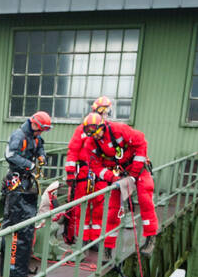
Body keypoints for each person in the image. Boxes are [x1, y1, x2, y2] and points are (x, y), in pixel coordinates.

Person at [79, 114, 158, 255]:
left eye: (97, 133)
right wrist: (113, 178)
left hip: (138, 168)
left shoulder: (119, 130)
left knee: (145, 199)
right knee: (113, 210)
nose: (96, 137)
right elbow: (96, 167)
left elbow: (141, 143)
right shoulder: (90, 144)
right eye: (92, 135)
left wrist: (134, 174)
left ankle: (150, 239)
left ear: (102, 126)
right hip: (118, 174)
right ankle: (108, 248)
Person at [3, 110, 51, 277]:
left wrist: (41, 156)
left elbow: (40, 147)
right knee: (15, 223)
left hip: (27, 184)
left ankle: (21, 266)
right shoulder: (19, 135)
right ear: (34, 124)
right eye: (40, 129)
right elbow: (10, 155)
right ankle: (12, 267)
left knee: (27, 224)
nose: (40, 133)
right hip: (17, 183)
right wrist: (29, 165)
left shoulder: (35, 138)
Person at [62, 97, 113, 245]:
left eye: (107, 110)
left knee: (99, 207)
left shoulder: (108, 129)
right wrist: (71, 173)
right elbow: (73, 151)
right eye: (102, 110)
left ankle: (95, 239)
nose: (105, 113)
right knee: (81, 207)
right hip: (85, 173)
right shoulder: (83, 129)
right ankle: (83, 239)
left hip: (101, 173)